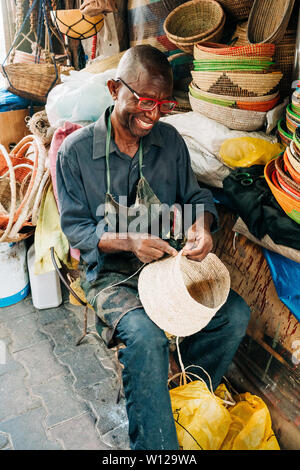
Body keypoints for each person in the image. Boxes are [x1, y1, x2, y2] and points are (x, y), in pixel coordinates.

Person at [56, 45, 250, 450]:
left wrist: (202, 226)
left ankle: (185, 396)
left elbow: (197, 198)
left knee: (232, 314)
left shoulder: (171, 142)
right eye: (144, 101)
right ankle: (156, 446)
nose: (153, 114)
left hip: (167, 264)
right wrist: (127, 240)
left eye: (163, 104)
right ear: (114, 89)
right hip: (111, 275)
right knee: (145, 337)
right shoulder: (75, 153)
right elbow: (76, 229)